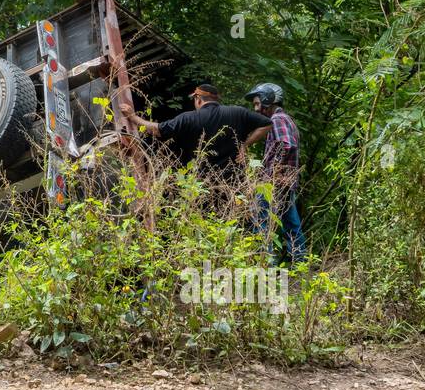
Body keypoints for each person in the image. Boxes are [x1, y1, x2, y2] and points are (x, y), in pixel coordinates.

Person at [120, 83, 271, 184]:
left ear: (198, 99)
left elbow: (158, 130)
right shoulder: (238, 112)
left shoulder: (188, 118)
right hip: (233, 182)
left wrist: (133, 117)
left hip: (200, 184)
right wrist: (245, 146)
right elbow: (267, 123)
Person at [244, 82, 304, 264]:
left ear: (267, 100)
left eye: (257, 103)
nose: (256, 108)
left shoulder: (277, 120)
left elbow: (287, 145)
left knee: (261, 220)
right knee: (291, 224)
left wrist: (271, 174)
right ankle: (301, 264)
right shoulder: (285, 119)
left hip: (275, 182)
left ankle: (265, 264)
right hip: (284, 181)